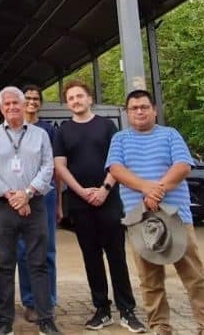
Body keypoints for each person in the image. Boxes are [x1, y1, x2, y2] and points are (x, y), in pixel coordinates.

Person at [106, 90, 204, 335]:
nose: (139, 111)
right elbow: (116, 169)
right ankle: (159, 327)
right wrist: (146, 188)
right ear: (127, 113)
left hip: (176, 217)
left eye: (144, 107)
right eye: (134, 108)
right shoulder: (120, 139)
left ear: (154, 110)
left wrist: (157, 190)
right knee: (150, 280)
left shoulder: (170, 135)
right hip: (140, 219)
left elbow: (182, 165)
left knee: (194, 276)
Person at [53, 81, 145, 333]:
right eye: (70, 98)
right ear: (67, 103)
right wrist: (81, 191)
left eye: (79, 96)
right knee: (91, 257)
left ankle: (127, 310)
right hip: (80, 204)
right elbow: (60, 166)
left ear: (89, 98)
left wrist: (104, 189)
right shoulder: (62, 131)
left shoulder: (107, 126)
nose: (75, 100)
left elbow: (117, 161)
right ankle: (101, 309)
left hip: (109, 200)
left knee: (117, 256)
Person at [0, 86, 61, 335]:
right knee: (5, 265)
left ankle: (45, 318)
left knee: (38, 263)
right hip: (3, 206)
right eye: (7, 104)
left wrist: (26, 194)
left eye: (16, 103)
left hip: (34, 204)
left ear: (24, 104)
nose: (12, 107)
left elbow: (48, 167)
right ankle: (4, 321)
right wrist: (11, 195)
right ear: (1, 108)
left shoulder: (40, 135)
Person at [17, 84, 59, 323]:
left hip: (44, 194)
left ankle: (49, 301)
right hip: (20, 195)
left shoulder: (49, 130)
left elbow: (54, 166)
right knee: (23, 251)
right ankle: (30, 302)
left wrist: (59, 201)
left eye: (35, 98)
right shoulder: (14, 128)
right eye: (28, 98)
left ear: (40, 103)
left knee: (47, 250)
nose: (32, 102)